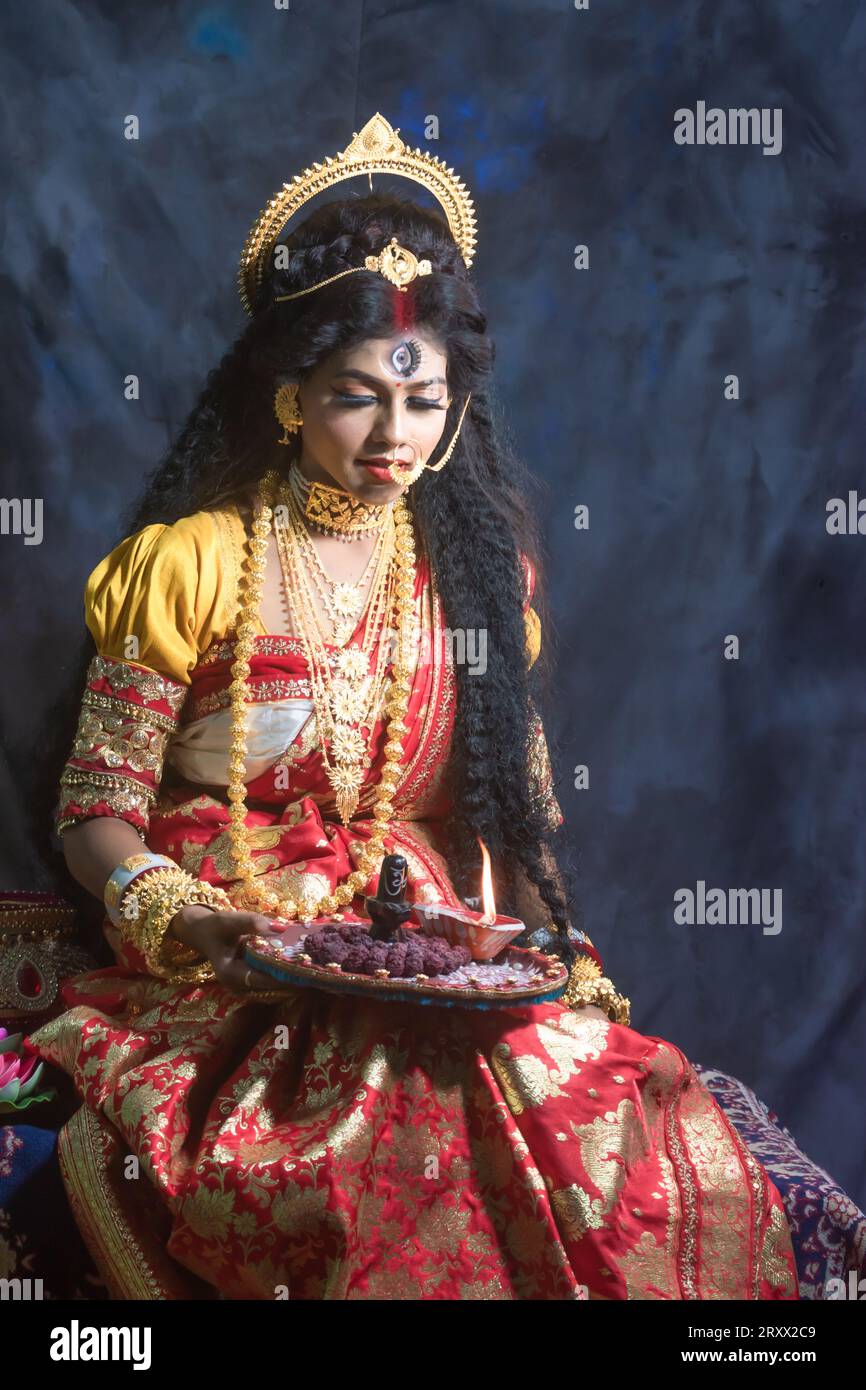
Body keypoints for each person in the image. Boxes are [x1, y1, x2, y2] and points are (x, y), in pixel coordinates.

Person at [24, 115, 798, 1301]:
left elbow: (511, 822)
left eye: (421, 401)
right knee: (383, 1143)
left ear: (452, 403)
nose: (394, 437)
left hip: (433, 947)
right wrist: (201, 925)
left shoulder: (480, 585)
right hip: (236, 952)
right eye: (353, 399)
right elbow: (94, 815)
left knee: (604, 1123)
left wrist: (553, 960)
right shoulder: (188, 563)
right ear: (288, 398)